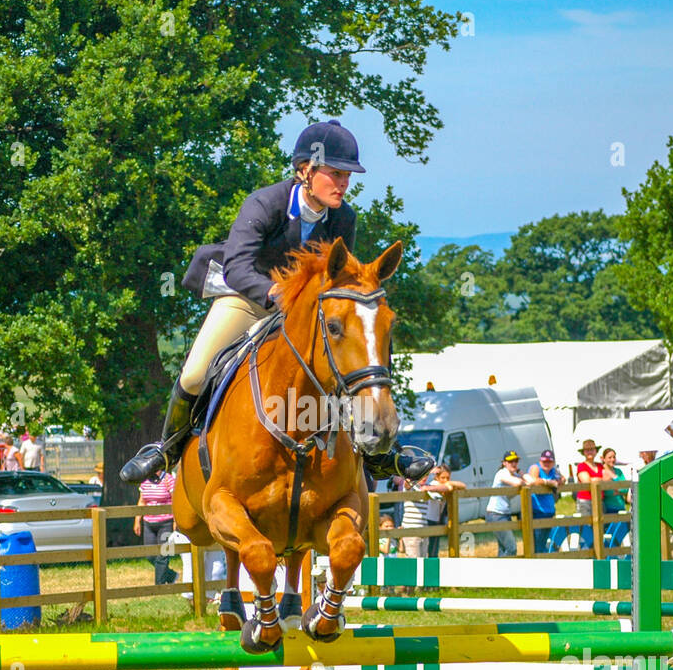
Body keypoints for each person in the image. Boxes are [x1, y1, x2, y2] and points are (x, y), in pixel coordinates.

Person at [120, 119, 431, 486]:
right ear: (305, 170)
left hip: (305, 313)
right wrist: (276, 294)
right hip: (249, 297)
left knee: (344, 360)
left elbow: (339, 276)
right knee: (195, 371)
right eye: (335, 173)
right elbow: (237, 266)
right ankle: (166, 449)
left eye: (348, 175)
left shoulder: (344, 218)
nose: (344, 183)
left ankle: (375, 454)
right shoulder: (266, 203)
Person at [134, 468, 178, 584]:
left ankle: (159, 586)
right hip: (149, 522)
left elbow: (175, 500)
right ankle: (171, 575)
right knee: (150, 555)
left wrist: (175, 521)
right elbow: (142, 501)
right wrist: (137, 520)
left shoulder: (168, 479)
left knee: (164, 554)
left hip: (166, 522)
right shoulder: (145, 481)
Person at [486, 451, 533, 557]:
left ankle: (499, 571)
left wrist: (520, 472)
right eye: (510, 461)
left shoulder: (515, 474)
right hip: (495, 514)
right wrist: (523, 481)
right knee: (511, 548)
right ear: (504, 463)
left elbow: (531, 481)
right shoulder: (502, 473)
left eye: (516, 461)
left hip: (505, 514)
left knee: (503, 549)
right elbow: (517, 483)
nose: (513, 463)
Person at [527, 450, 565, 555]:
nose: (546, 463)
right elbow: (533, 480)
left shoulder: (553, 471)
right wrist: (548, 482)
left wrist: (558, 481)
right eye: (544, 461)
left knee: (544, 542)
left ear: (553, 462)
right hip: (537, 511)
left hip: (549, 511)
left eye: (549, 461)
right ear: (540, 460)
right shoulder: (535, 468)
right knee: (537, 544)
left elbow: (563, 479)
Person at [423, 465, 466, 557]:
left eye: (448, 477)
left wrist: (449, 483)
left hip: (437, 519)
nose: (445, 480)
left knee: (434, 546)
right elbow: (444, 488)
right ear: (437, 477)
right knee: (430, 546)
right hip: (429, 519)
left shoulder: (446, 484)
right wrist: (448, 486)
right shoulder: (433, 483)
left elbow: (463, 486)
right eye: (442, 477)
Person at [574, 439, 605, 549]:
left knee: (599, 527)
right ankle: (585, 551)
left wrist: (596, 479)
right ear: (583, 452)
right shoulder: (581, 466)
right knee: (585, 527)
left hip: (599, 500)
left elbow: (608, 478)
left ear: (596, 451)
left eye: (592, 449)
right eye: (587, 450)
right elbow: (586, 480)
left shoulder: (600, 466)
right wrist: (601, 480)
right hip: (585, 501)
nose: (589, 452)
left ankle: (598, 550)